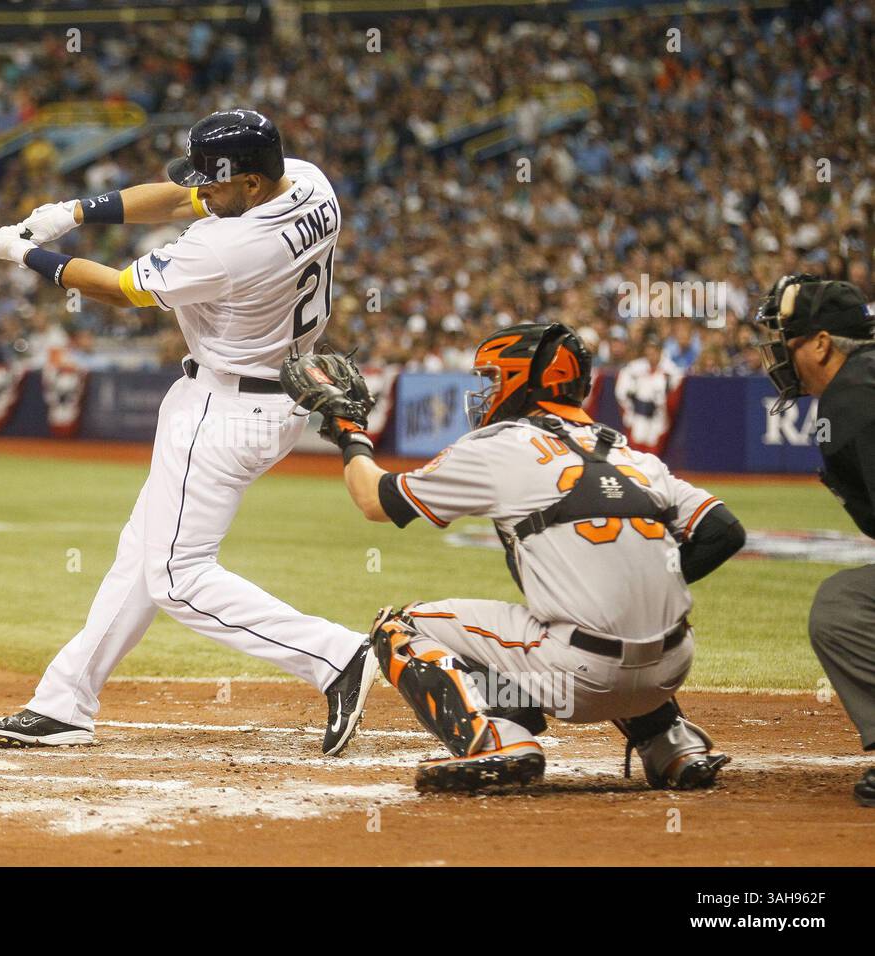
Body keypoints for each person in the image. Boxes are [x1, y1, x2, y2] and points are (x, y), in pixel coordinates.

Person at [0, 109, 377, 755]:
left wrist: (27, 254)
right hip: (256, 395)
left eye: (218, 184)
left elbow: (115, 288)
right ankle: (64, 703)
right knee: (142, 556)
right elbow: (178, 198)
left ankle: (336, 656)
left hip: (227, 409)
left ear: (249, 182)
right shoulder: (305, 181)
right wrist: (75, 211)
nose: (203, 194)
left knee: (177, 577)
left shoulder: (230, 247)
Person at [303, 323, 743, 791]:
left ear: (522, 380)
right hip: (671, 668)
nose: (486, 391)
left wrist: (348, 430)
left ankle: (500, 740)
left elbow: (374, 500)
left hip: (578, 677)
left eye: (494, 377)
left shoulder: (500, 447)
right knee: (616, 619)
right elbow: (723, 531)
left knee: (399, 628)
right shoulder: (632, 455)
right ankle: (673, 745)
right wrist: (648, 585)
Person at [756, 274, 875, 807]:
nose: (780, 354)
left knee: (843, 607)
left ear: (823, 343)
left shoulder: (852, 399)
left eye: (790, 340)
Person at [614, 333, 683, 455]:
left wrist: (663, 408)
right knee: (635, 449)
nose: (651, 353)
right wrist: (630, 409)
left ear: (660, 350)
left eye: (654, 349)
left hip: (657, 416)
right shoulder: (635, 367)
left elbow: (673, 396)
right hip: (638, 413)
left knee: (653, 452)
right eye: (648, 349)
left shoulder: (671, 370)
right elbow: (622, 392)